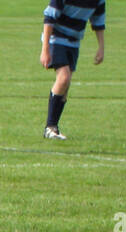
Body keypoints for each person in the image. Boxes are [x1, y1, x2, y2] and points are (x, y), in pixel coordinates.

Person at [40, 2, 105, 140]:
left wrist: (101, 47)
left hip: (74, 42)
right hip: (56, 38)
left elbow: (98, 21)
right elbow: (49, 17)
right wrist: (45, 49)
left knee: (65, 87)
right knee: (64, 78)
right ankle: (50, 127)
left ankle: (53, 128)